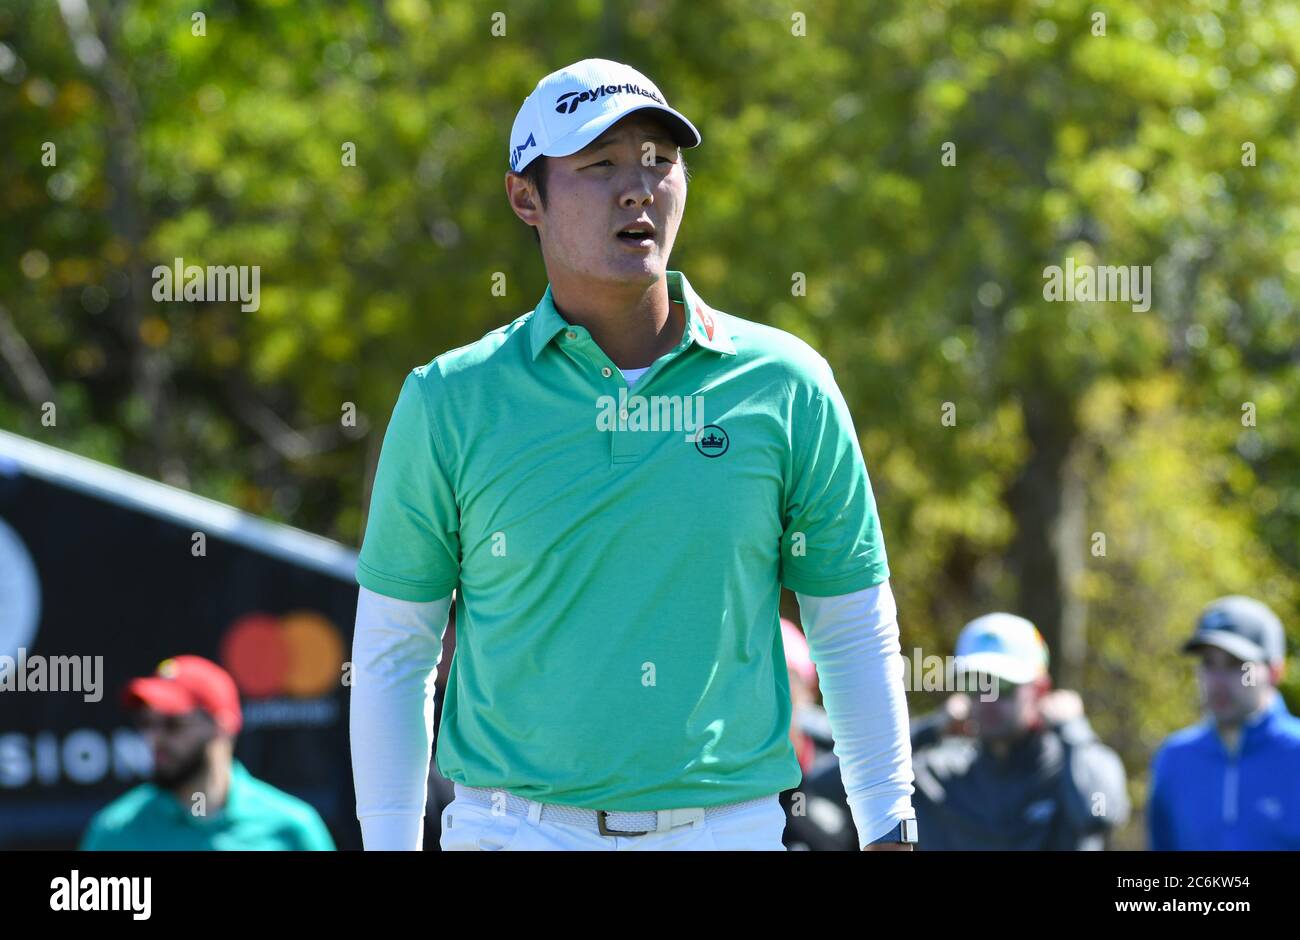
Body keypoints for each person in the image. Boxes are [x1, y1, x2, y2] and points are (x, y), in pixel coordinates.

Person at [349, 58, 917, 851]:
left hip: (731, 832)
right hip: (514, 833)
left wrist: (890, 822)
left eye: (660, 161)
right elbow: (394, 649)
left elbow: (850, 623)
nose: (637, 187)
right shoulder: (450, 398)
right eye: (599, 165)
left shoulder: (789, 384)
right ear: (525, 196)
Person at [908, 613, 1129, 849]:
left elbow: (1101, 812)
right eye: (973, 683)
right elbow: (870, 772)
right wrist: (931, 728)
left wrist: (1075, 732)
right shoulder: (942, 776)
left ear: (1040, 689)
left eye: (1002, 684)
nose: (986, 698)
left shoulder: (1071, 765)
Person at [81, 655, 335, 850]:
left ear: (222, 726)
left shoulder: (292, 827)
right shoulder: (115, 831)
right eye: (147, 723)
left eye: (173, 724)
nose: (154, 738)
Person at [1147, 596, 1300, 850]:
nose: (1217, 680)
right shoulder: (1174, 759)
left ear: (1275, 671)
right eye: (1209, 663)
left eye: (1236, 665)